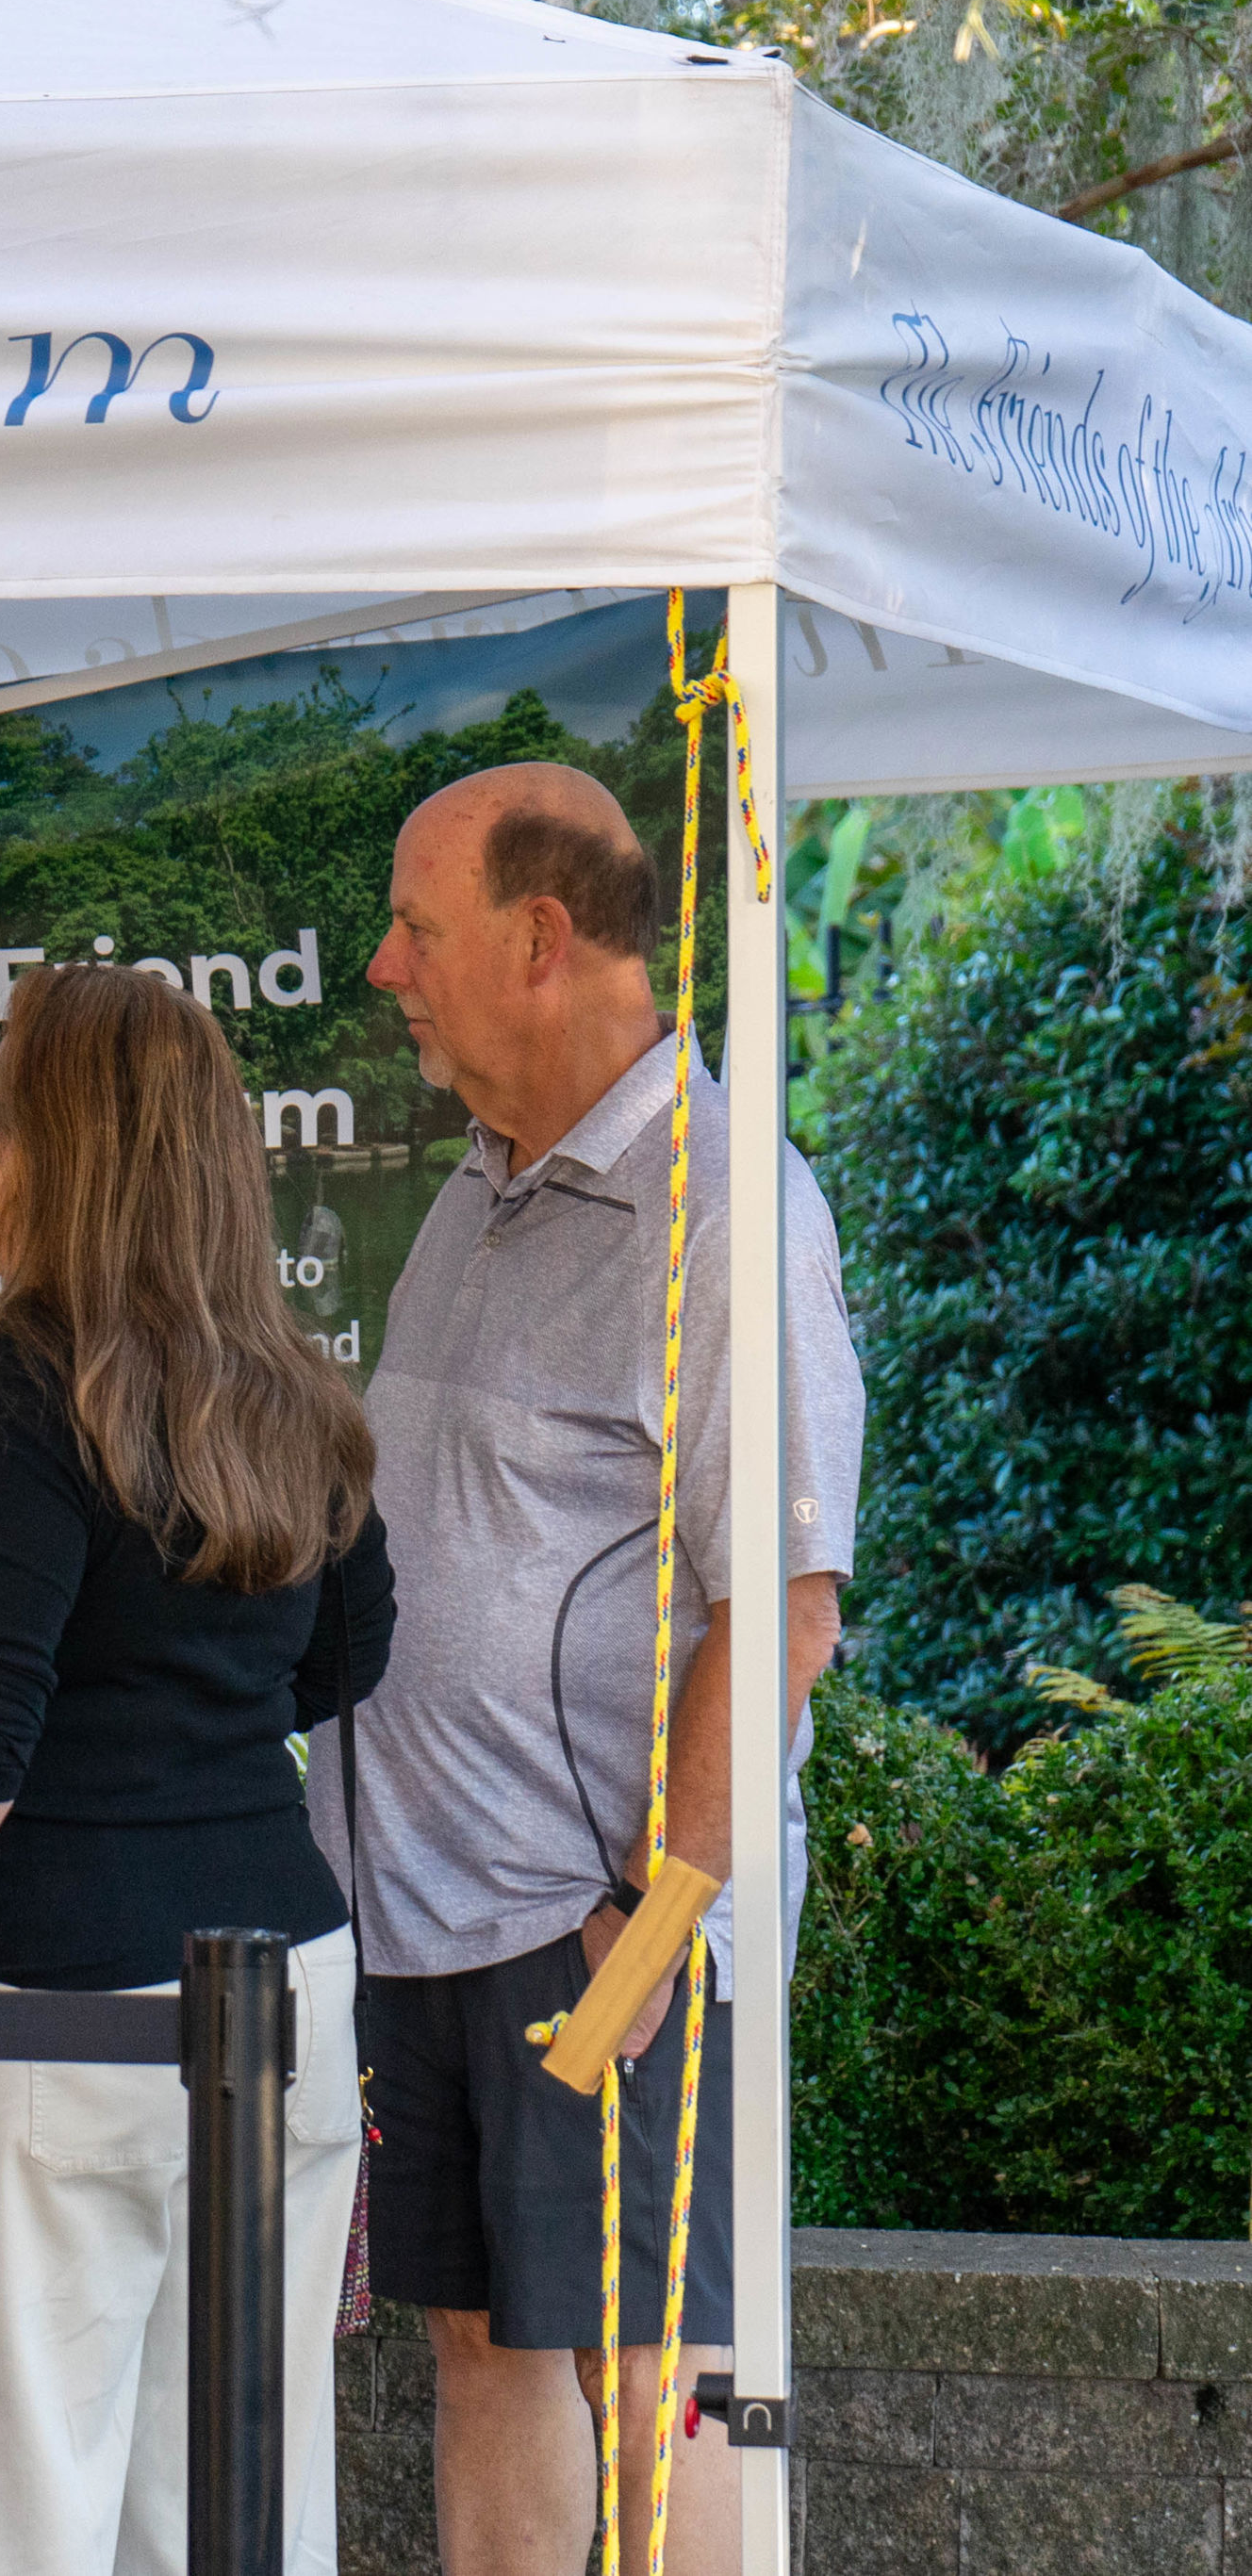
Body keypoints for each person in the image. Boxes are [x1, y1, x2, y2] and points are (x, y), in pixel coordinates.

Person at [312, 762, 863, 2576]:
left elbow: (776, 1605)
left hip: (595, 1932)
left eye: (417, 923)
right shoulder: (479, 1182)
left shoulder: (727, 1202)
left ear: (540, 939)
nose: (384, 964)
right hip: (427, 1918)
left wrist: (646, 1941)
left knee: (653, 2376)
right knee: (479, 2351)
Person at [0, 962, 395, 2576]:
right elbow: (347, 1659)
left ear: (40, 1149)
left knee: (2, 2520)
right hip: (281, 1991)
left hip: (47, 2024)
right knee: (236, 2518)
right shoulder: (289, 1385)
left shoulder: (15, 1395)